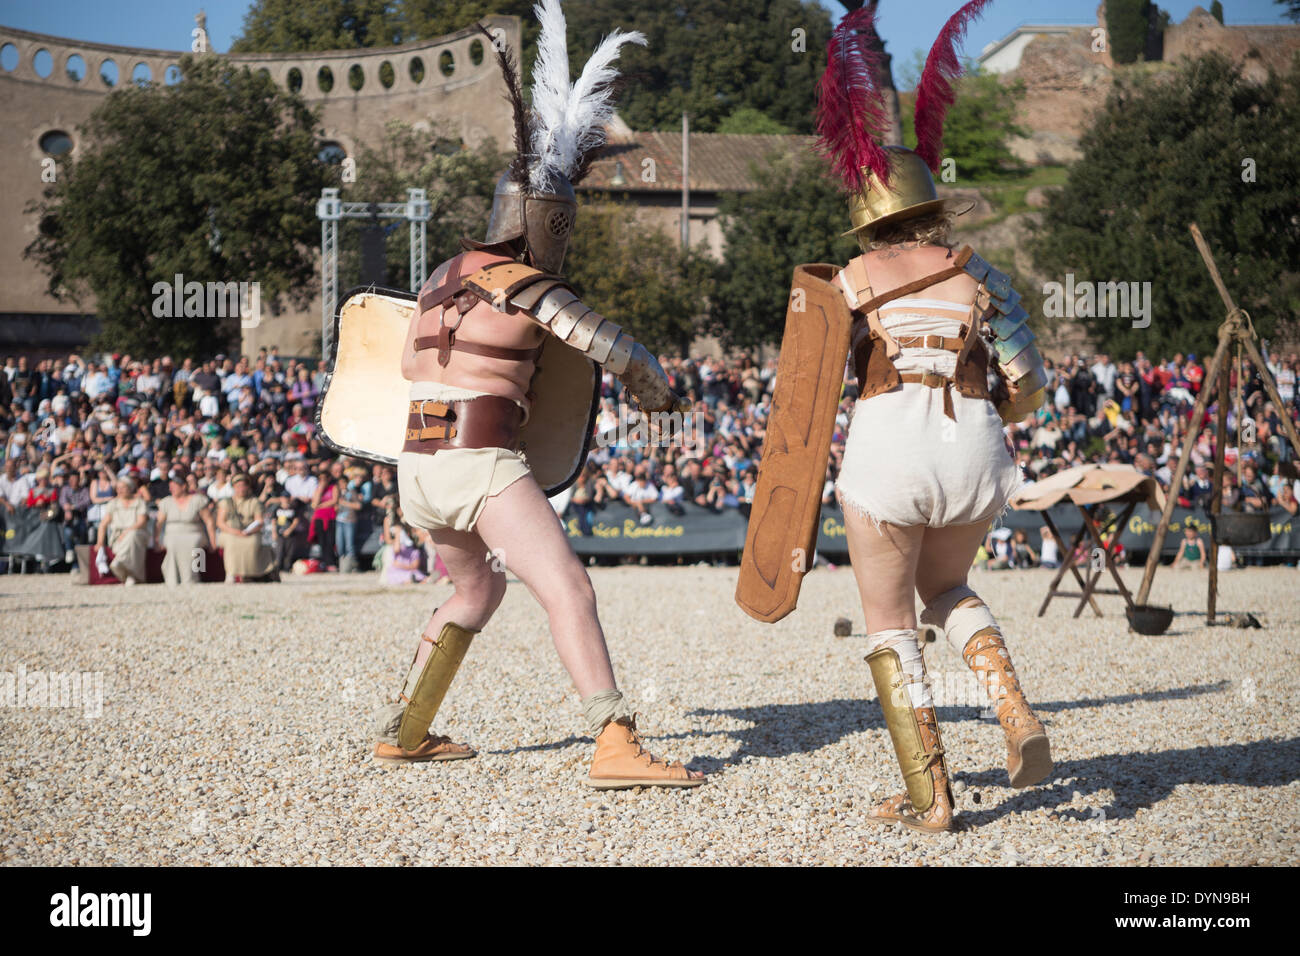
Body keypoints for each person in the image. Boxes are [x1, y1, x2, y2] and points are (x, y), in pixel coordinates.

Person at [335, 9, 703, 787]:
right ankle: (614, 742)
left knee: (476, 588)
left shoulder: (440, 278)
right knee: (568, 586)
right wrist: (660, 394)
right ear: (546, 221)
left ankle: (407, 728)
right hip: (480, 461)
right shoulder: (529, 287)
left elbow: (401, 357)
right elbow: (621, 352)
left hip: (418, 467)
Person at [739, 3, 1050, 834]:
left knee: (890, 623)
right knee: (948, 587)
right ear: (932, 206)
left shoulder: (852, 277)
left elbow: (808, 400)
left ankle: (930, 795)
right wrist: (985, 406)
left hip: (888, 457)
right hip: (978, 452)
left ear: (872, 216)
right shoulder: (979, 272)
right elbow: (1031, 384)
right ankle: (1014, 710)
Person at [155, 465, 216, 585]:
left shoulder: (197, 499)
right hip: (172, 533)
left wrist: (212, 541)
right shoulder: (166, 502)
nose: (171, 489)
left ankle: (192, 578)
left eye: (174, 486)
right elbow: (159, 523)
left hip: (194, 532)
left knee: (193, 544)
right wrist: (156, 540)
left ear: (183, 486)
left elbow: (209, 521)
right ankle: (172, 579)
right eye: (170, 487)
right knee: (172, 544)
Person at [216, 473, 276, 582]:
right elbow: (220, 523)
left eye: (244, 486)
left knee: (253, 542)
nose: (241, 489)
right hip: (229, 532)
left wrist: (249, 531)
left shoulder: (254, 502)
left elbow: (259, 521)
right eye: (238, 486)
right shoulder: (226, 502)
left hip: (250, 532)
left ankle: (249, 574)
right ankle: (231, 573)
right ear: (233, 487)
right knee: (231, 542)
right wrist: (235, 532)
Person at [95, 477, 149, 585]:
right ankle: (131, 575)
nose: (120, 490)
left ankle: (120, 563)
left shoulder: (139, 502)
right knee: (130, 539)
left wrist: (127, 531)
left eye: (123, 487)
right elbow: (103, 525)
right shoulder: (113, 504)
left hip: (137, 532)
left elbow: (141, 522)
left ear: (130, 488)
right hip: (118, 536)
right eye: (118, 488)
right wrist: (100, 542)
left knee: (133, 536)